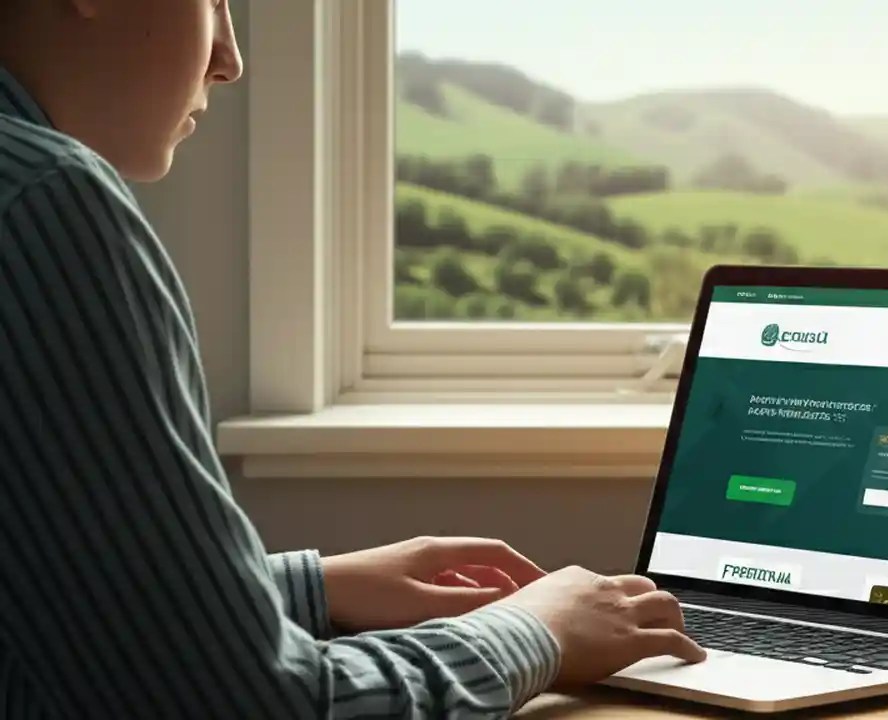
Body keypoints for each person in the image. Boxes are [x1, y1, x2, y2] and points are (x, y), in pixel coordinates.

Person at [0, 1, 705, 717]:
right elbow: (256, 705)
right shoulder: (43, 201)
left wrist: (310, 588)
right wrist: (539, 628)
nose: (230, 58)